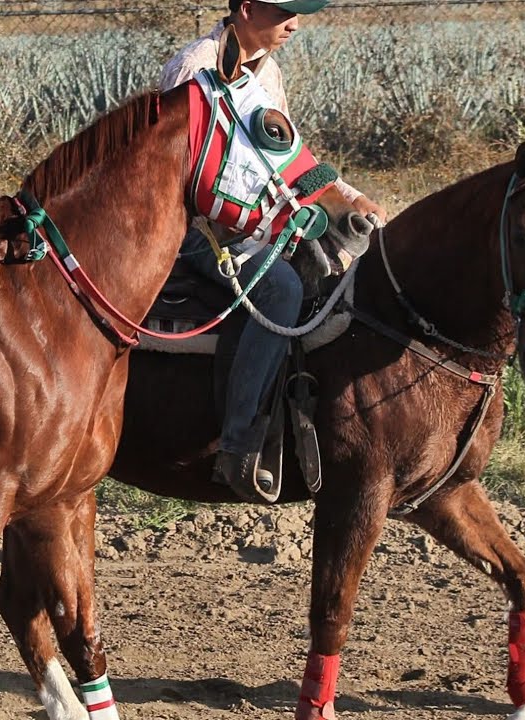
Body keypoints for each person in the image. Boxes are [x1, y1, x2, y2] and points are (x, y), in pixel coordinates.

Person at [160, 0, 387, 502]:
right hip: (199, 229)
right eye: (284, 10)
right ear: (244, 8)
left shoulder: (269, 72)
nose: (294, 23)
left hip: (254, 224)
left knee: (330, 268)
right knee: (281, 287)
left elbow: (285, 156)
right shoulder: (195, 68)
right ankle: (239, 443)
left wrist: (348, 199)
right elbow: (173, 165)